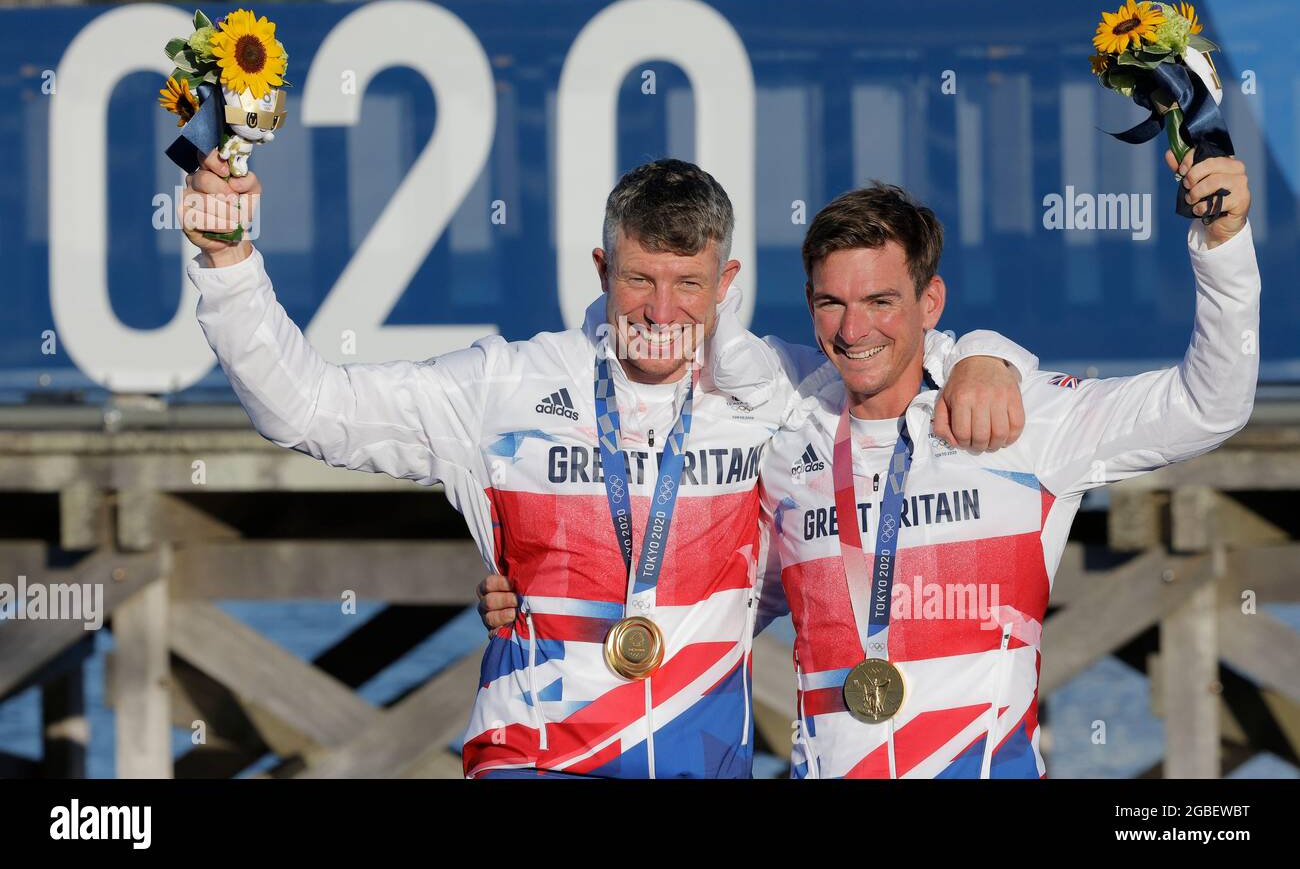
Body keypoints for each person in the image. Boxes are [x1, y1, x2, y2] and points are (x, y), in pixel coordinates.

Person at [180, 152, 1036, 778]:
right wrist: (228, 264)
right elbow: (303, 407)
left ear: (727, 280)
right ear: (602, 267)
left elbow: (886, 349)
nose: (662, 311)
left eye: (689, 285)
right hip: (536, 760)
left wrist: (986, 356)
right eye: (638, 280)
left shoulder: (774, 391)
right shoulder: (503, 388)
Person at [754, 150, 1257, 778]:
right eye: (831, 303)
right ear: (807, 302)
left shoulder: (1023, 423)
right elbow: (709, 610)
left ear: (930, 301)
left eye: (881, 300)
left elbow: (1209, 405)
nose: (854, 330)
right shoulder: (785, 452)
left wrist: (1224, 244)